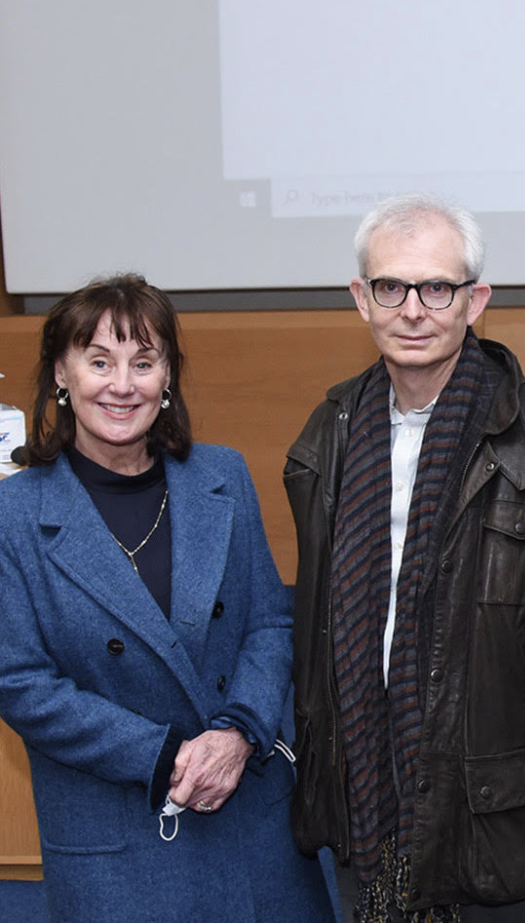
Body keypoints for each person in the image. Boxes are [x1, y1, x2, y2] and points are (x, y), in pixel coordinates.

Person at [284, 194, 525, 921]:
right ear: (361, 299)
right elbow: (314, 642)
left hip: (497, 820)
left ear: (476, 300)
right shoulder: (328, 435)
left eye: (437, 287)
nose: (414, 310)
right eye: (391, 287)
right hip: (365, 806)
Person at [0, 275, 332, 923]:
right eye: (100, 362)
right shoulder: (15, 513)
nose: (123, 385)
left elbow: (269, 622)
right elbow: (18, 680)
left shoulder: (223, 475)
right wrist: (162, 754)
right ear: (62, 374)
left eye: (144, 362)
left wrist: (238, 732)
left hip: (250, 818)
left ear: (168, 377)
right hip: (116, 834)